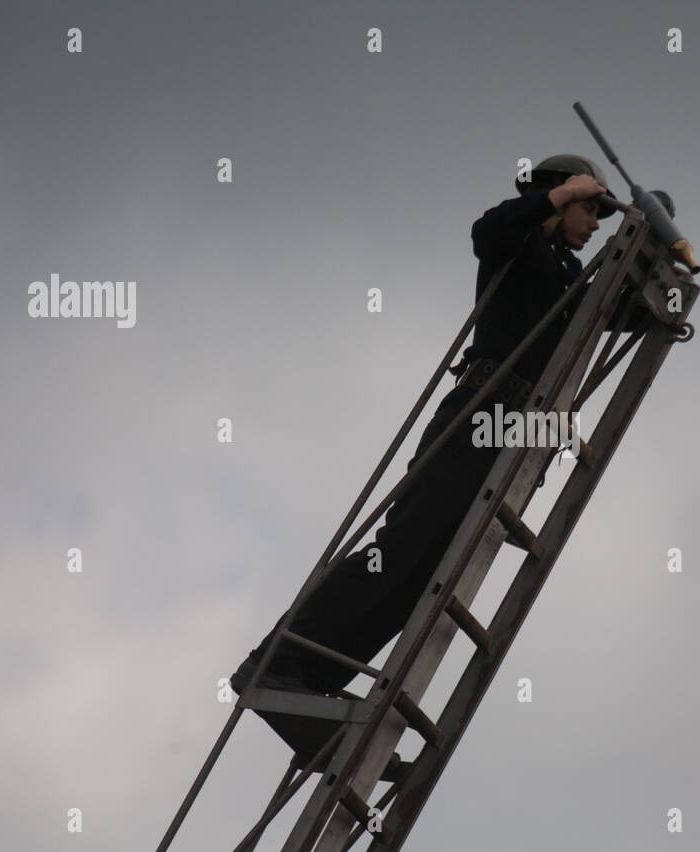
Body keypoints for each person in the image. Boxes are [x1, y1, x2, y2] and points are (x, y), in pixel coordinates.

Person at [229, 155, 616, 699]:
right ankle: (278, 659)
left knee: (428, 579)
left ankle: (313, 677)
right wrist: (556, 197)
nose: (596, 223)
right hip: (479, 412)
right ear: (563, 193)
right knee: (403, 547)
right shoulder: (520, 241)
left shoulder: (570, 273)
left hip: (513, 436)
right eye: (590, 207)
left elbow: (613, 310)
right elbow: (488, 230)